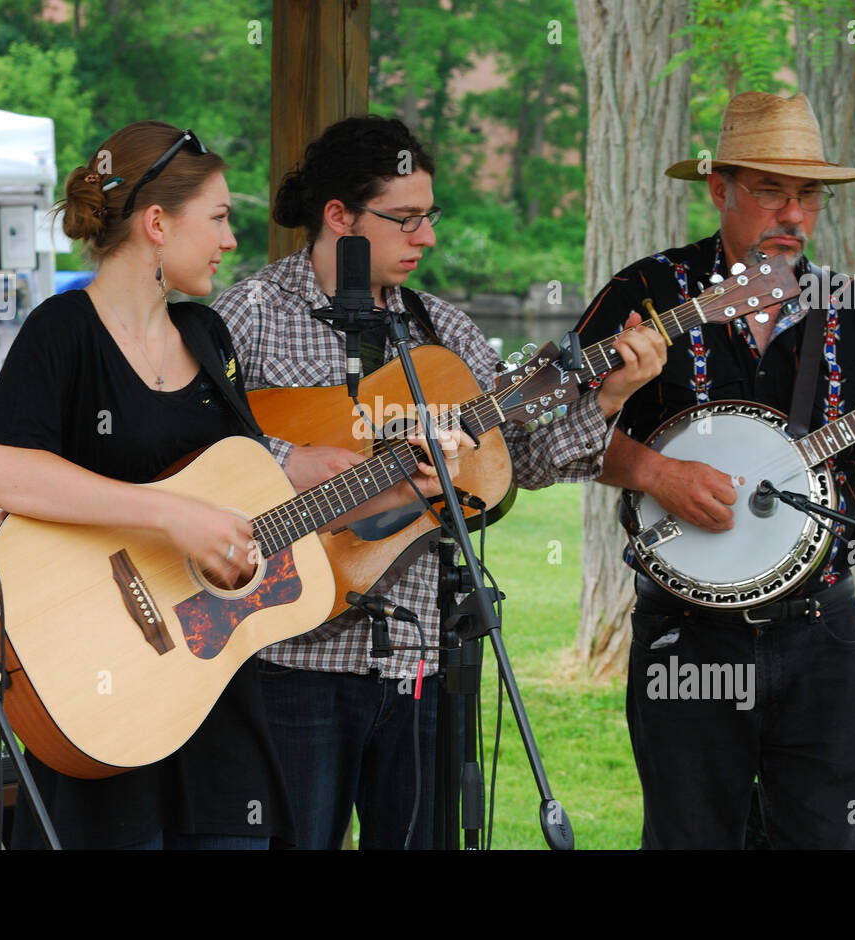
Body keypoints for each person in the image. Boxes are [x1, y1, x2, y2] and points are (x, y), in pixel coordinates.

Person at [575, 91, 855, 850]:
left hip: (821, 633)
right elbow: (557, 430)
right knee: (690, 837)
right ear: (719, 188)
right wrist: (654, 472)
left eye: (809, 194)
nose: (792, 213)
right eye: (770, 191)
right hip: (686, 635)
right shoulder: (647, 293)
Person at [215, 115, 665, 849]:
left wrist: (608, 397)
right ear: (339, 216)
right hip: (288, 652)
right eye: (405, 218)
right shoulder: (249, 315)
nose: (425, 237)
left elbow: (518, 461)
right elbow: (192, 445)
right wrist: (295, 459)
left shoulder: (442, 331)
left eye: (431, 216)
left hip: (418, 652)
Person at [0, 121, 303, 850]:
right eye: (218, 218)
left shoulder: (208, 336)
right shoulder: (65, 329)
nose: (230, 241)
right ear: (157, 223)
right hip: (107, 685)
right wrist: (170, 516)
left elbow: (249, 490)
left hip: (216, 699)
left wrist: (392, 481)